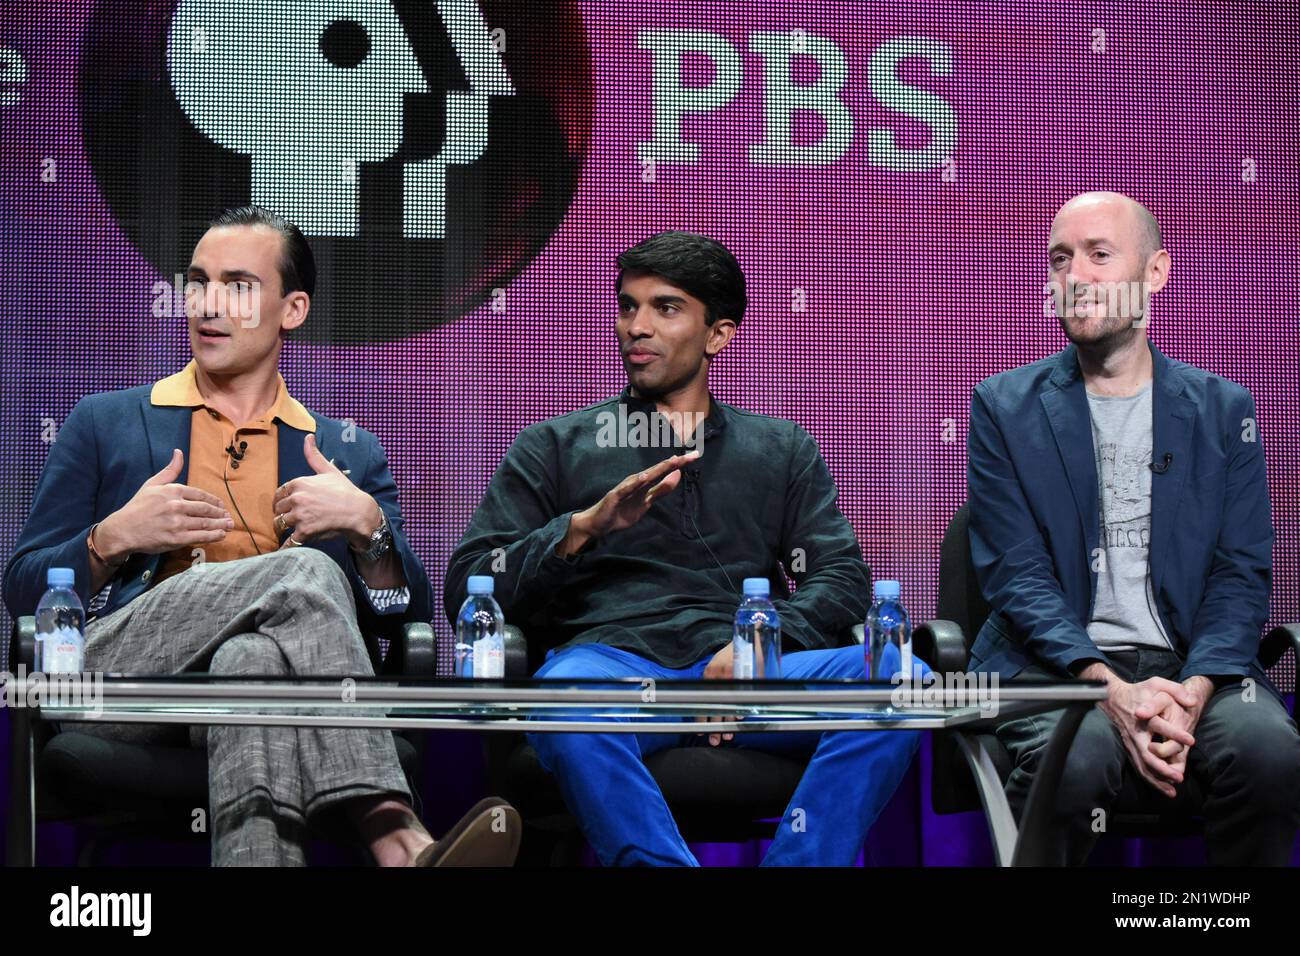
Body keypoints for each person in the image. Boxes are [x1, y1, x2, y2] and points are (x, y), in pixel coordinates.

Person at [4, 205, 519, 867]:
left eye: (239, 286)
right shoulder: (107, 423)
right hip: (122, 681)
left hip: (253, 688)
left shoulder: (342, 452)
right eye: (198, 282)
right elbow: (22, 592)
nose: (208, 304)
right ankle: (395, 834)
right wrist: (109, 538)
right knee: (305, 573)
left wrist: (370, 531)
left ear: (293, 309)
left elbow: (408, 621)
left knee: (249, 660)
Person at [446, 230, 924, 866]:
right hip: (614, 671)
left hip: (748, 672)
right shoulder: (555, 447)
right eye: (627, 306)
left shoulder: (777, 451)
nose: (636, 326)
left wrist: (756, 646)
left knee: (902, 678)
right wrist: (581, 528)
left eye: (665, 308)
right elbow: (474, 580)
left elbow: (836, 576)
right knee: (562, 700)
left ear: (717, 334)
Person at [967, 190, 1300, 865]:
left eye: (1098, 255)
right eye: (1060, 260)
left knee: (1267, 753)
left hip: (1188, 668)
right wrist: (1109, 689)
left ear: (1155, 272)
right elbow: (1017, 575)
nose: (1074, 278)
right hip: (1055, 667)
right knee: (1077, 758)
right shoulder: (1003, 407)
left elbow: (1240, 572)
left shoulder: (1222, 410)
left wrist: (1196, 691)